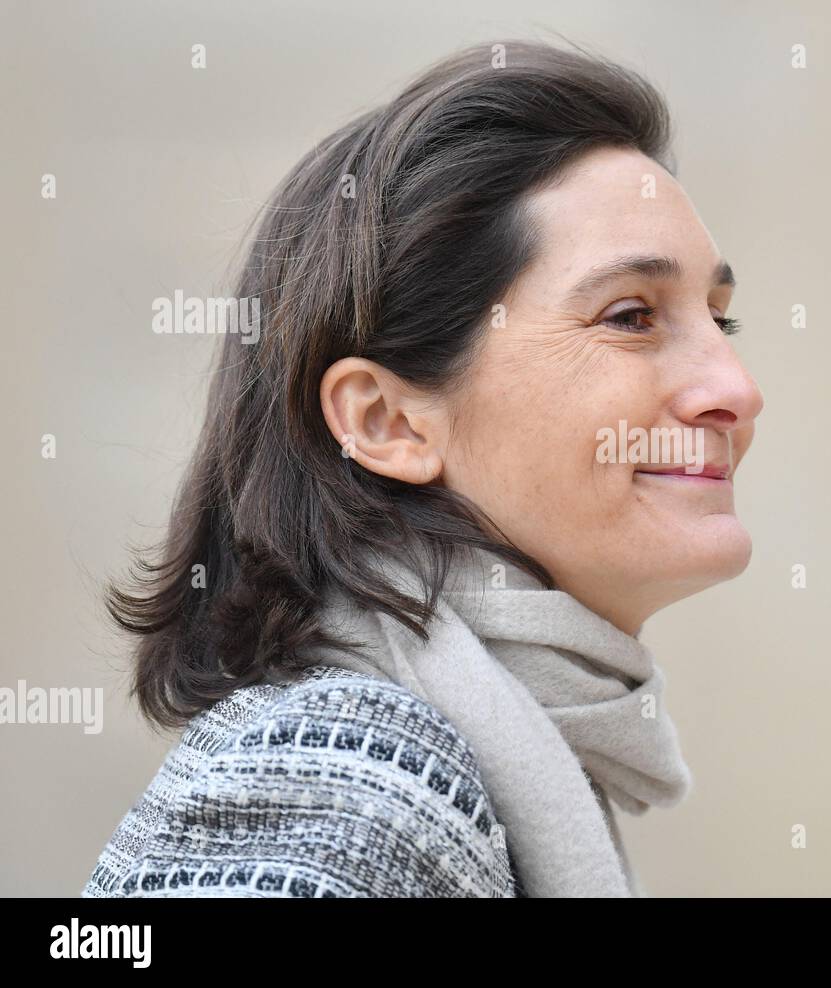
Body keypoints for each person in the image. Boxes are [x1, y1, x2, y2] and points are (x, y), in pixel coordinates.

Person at [83, 37, 763, 898]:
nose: (736, 389)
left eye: (720, 321)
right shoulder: (335, 781)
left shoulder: (462, 759)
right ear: (389, 421)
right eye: (631, 316)